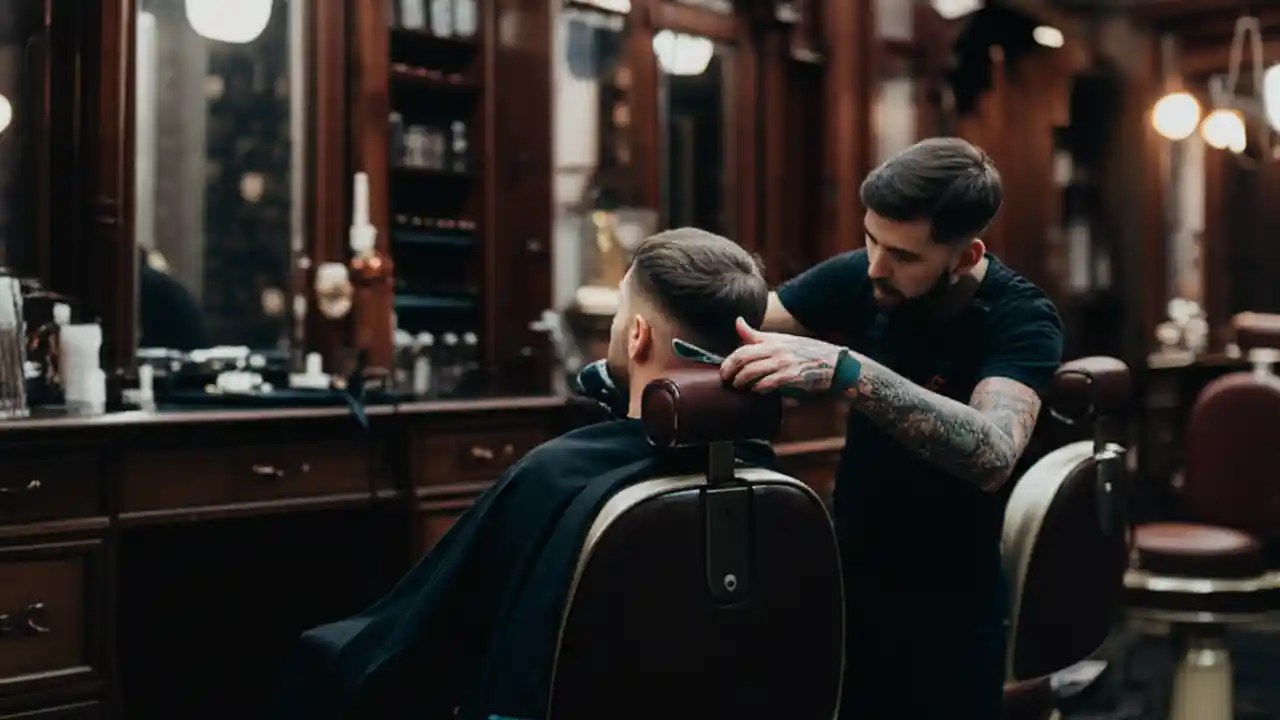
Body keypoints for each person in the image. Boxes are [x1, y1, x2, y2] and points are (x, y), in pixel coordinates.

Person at [270, 228, 774, 720]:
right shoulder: (763, 474)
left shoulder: (556, 473)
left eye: (623, 309)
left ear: (637, 335)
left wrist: (319, 663)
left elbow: (420, 647)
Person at [719, 137, 1064, 719]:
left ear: (964, 255)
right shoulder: (869, 274)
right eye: (870, 238)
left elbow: (994, 451)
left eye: (904, 256)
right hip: (850, 579)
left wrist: (850, 373)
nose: (876, 266)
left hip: (951, 606)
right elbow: (750, 322)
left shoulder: (1021, 318)